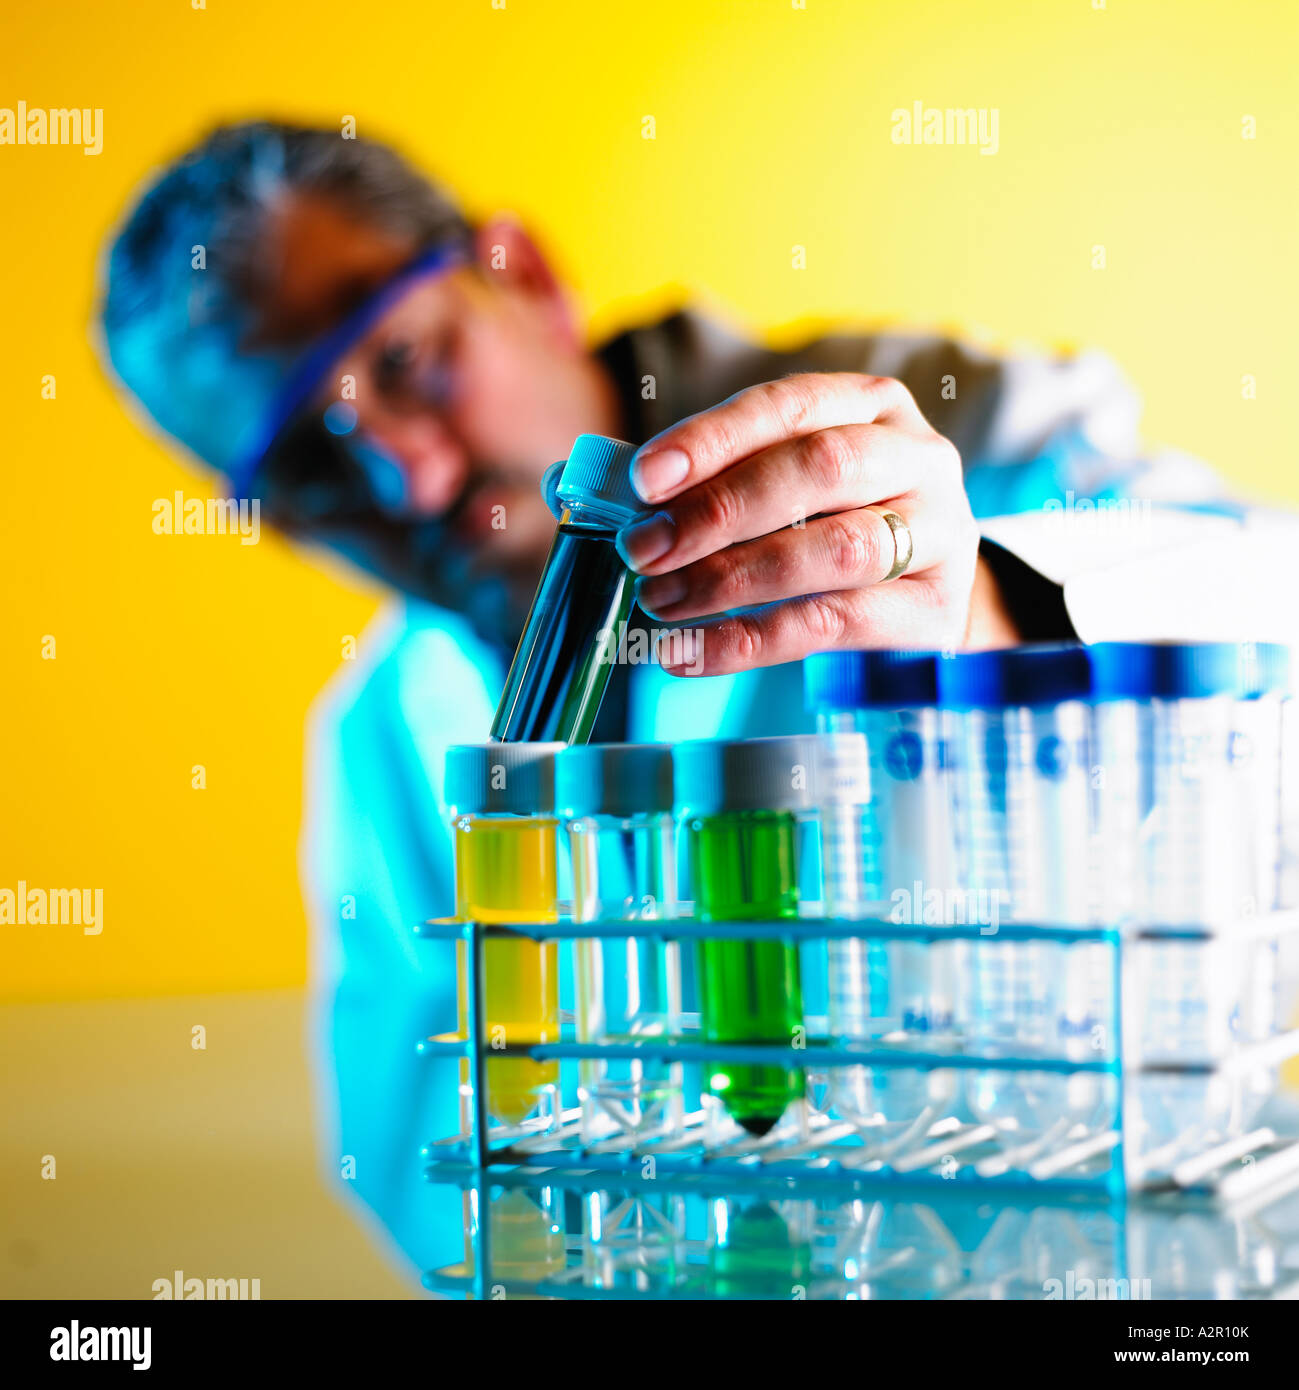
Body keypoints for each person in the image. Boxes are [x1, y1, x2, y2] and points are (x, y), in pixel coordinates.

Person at [97, 120, 1297, 1275]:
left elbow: (1259, 622)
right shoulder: (383, 749)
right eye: (310, 463)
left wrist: (992, 614)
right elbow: (427, 1174)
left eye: (405, 359)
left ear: (524, 274)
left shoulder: (938, 424)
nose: (409, 474)